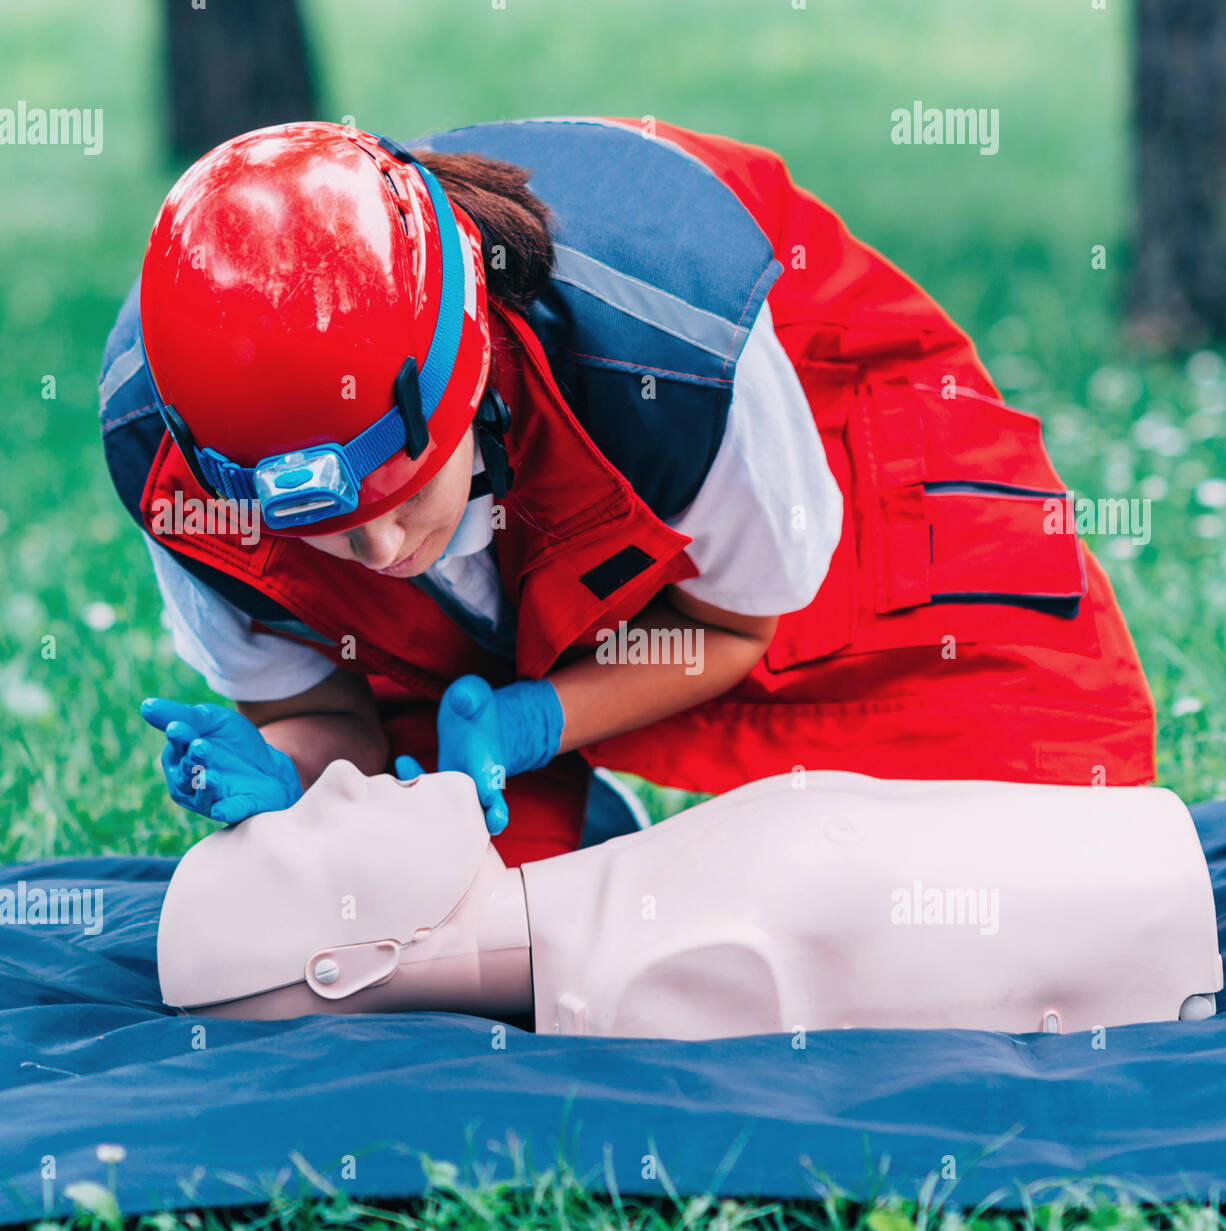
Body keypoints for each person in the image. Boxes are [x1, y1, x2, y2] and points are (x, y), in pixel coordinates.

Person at [100, 118, 1157, 867]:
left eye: (404, 495)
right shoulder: (175, 455)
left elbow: (732, 627)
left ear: (469, 379)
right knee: (405, 913)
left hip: (807, 480)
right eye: (331, 535)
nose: (381, 557)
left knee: (1060, 834)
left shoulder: (682, 349)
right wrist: (297, 777)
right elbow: (328, 713)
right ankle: (588, 830)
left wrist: (533, 718)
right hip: (494, 630)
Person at [157, 759, 1221, 1037]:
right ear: (346, 965)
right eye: (302, 839)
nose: (332, 783)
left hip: (1148, 864)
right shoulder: (669, 974)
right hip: (1161, 921)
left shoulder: (629, 910)